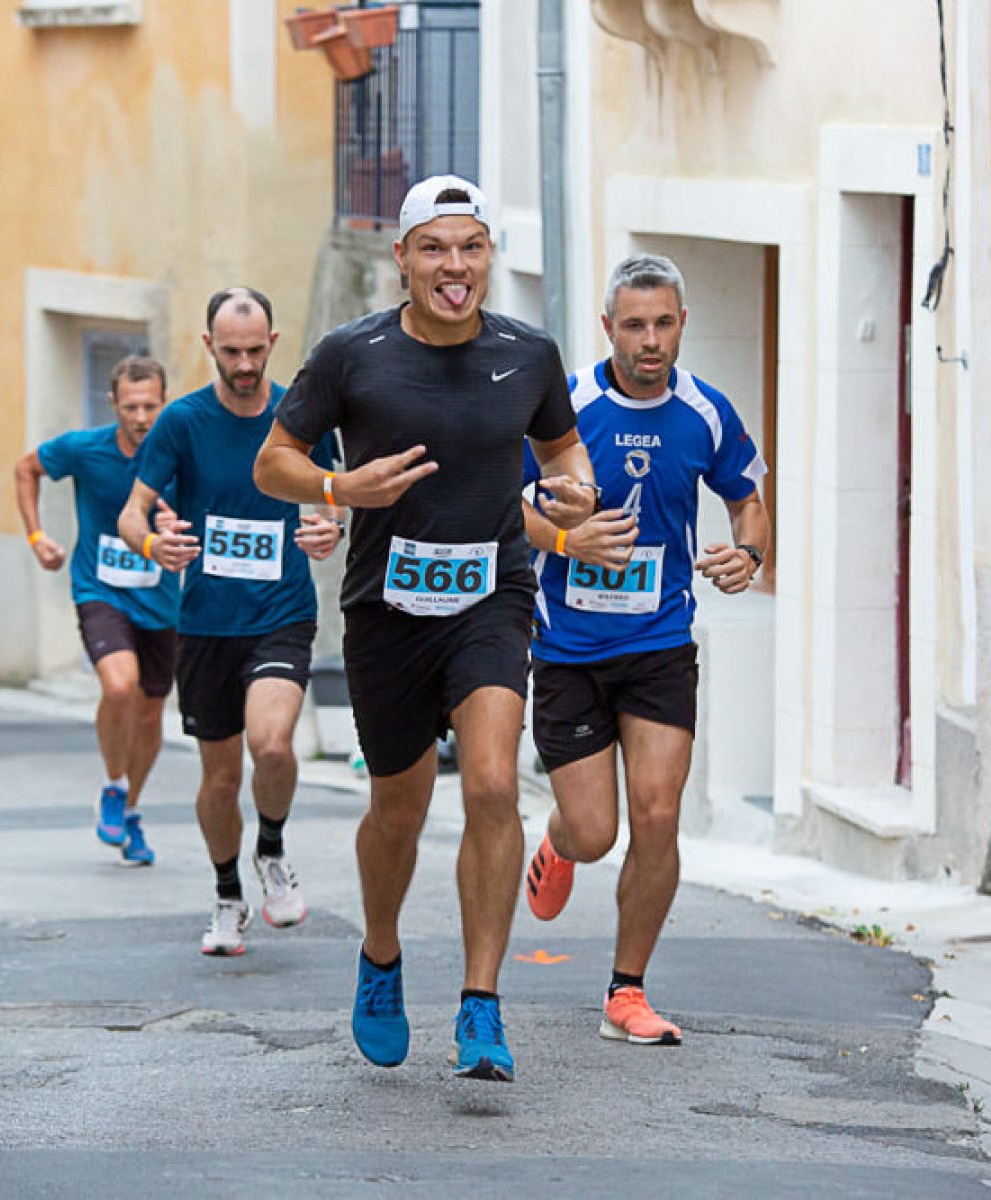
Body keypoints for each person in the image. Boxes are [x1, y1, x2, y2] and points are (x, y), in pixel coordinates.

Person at [254, 176, 597, 1082]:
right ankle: (379, 955)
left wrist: (578, 488)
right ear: (402, 259)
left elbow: (564, 447)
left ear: (491, 256)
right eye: (436, 249)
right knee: (398, 808)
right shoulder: (350, 354)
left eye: (471, 247)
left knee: (491, 785)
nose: (456, 267)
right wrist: (341, 488)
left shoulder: (529, 354)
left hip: (493, 599)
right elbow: (273, 462)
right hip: (386, 613)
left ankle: (482, 1003)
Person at [520, 253, 771, 1046]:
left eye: (663, 323)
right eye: (634, 324)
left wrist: (749, 554)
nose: (650, 340)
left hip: (661, 640)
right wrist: (568, 537)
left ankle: (626, 991)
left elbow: (748, 497)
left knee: (658, 816)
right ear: (608, 329)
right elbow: (505, 501)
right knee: (596, 832)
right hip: (568, 646)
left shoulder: (706, 411)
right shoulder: (569, 406)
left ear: (682, 324)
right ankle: (558, 845)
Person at [117, 288, 342, 957]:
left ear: (273, 343)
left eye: (255, 350)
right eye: (231, 351)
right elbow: (133, 514)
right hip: (208, 623)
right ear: (208, 346)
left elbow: (332, 500)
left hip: (282, 612)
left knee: (272, 745)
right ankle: (226, 895)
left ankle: (270, 850)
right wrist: (157, 548)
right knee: (219, 779)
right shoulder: (181, 423)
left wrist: (329, 528)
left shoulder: (301, 418)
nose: (244, 364)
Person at [15, 356, 180, 867]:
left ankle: (130, 809)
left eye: (151, 405)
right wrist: (38, 537)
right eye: (130, 406)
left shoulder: (179, 453)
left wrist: (179, 522)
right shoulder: (85, 449)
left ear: (164, 401)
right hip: (100, 589)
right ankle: (112, 785)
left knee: (152, 712)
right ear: (113, 405)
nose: (141, 417)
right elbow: (27, 468)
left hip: (163, 601)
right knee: (118, 686)